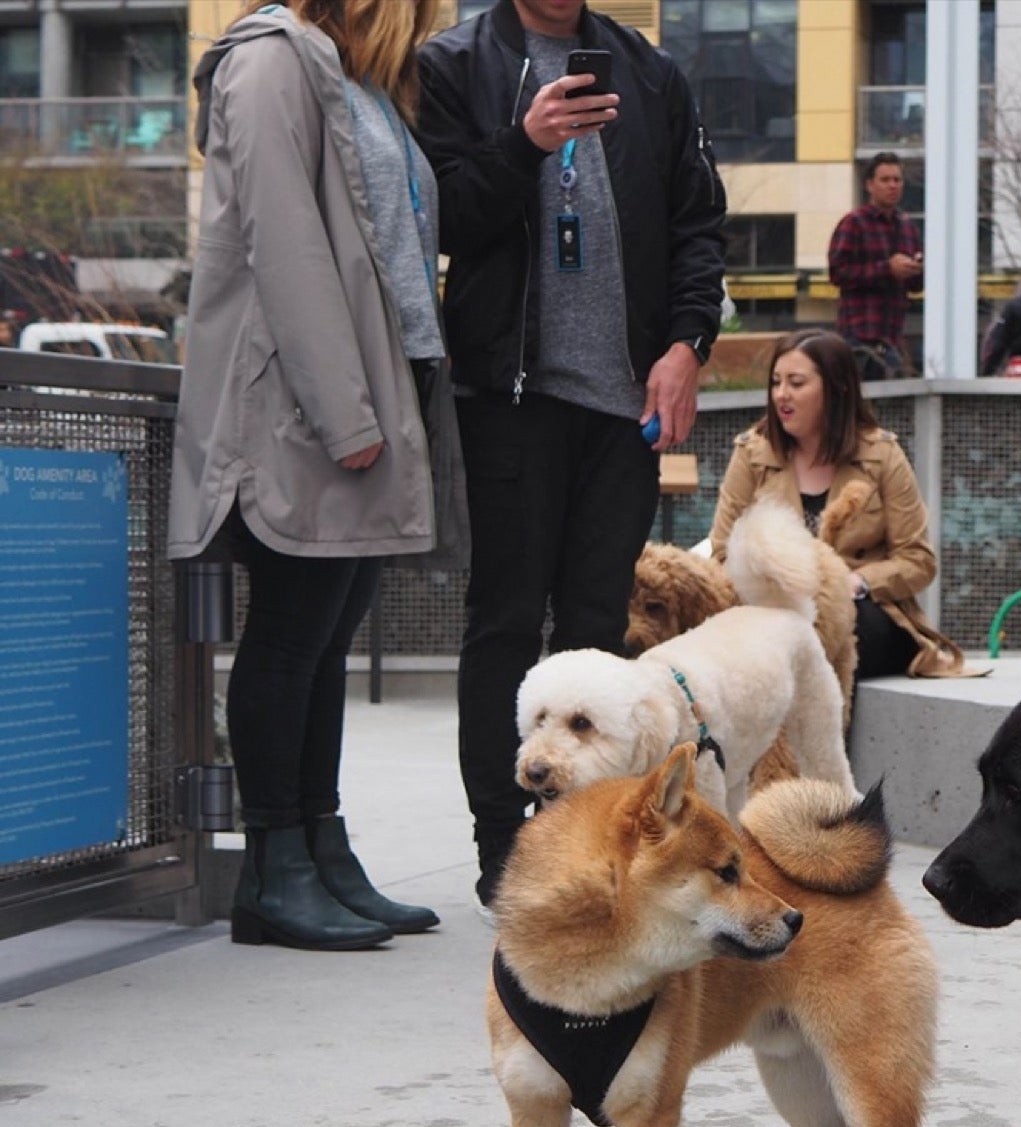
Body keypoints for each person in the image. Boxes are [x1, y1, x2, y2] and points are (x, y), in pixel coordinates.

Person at [416, 0, 728, 913]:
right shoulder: (454, 64)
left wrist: (688, 344)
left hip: (622, 407)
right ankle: (502, 842)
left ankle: (590, 840)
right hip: (508, 399)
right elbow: (444, 219)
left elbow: (698, 224)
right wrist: (524, 143)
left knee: (597, 630)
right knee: (505, 623)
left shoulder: (651, 73)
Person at [170, 0, 464, 948]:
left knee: (327, 637)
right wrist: (344, 411)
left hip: (378, 384)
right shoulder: (270, 61)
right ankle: (272, 869)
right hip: (303, 405)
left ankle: (321, 848)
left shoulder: (361, 82)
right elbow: (286, 246)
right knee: (292, 635)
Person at [708, 330, 981, 679]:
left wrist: (856, 582)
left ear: (837, 388)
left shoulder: (882, 455)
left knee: (841, 627)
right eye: (776, 382)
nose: (781, 394)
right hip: (773, 610)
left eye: (796, 383)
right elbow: (722, 554)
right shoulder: (751, 454)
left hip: (859, 611)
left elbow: (918, 561)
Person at [829, 152, 923, 381]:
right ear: (869, 185)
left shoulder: (907, 226)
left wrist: (917, 269)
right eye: (885, 180)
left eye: (897, 180)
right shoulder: (854, 223)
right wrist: (886, 269)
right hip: (859, 338)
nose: (893, 186)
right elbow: (838, 273)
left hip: (893, 337)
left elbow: (915, 286)